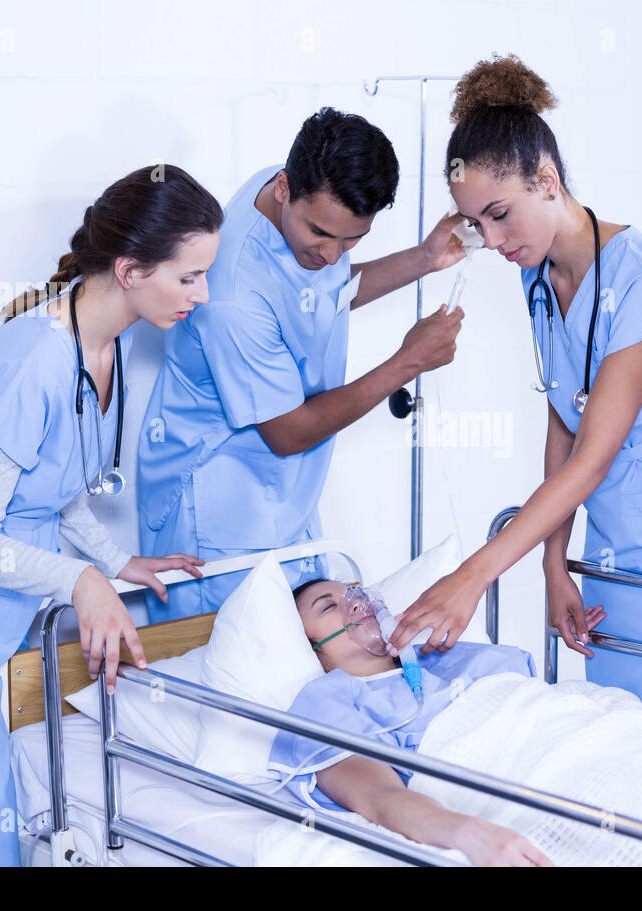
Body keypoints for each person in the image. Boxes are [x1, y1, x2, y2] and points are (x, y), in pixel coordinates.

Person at [0, 165, 221, 865]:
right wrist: (82, 581)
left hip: (0, 602)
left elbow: (58, 482)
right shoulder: (33, 365)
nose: (204, 293)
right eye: (190, 276)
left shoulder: (113, 339)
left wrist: (113, 563)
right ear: (132, 269)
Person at [385, 55, 642, 714]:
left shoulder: (639, 278)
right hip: (609, 551)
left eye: (501, 214)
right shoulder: (539, 277)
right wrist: (554, 564)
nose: (494, 240)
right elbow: (564, 422)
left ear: (547, 180)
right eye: (478, 224)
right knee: (622, 731)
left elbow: (593, 459)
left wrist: (472, 576)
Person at [137, 108, 468, 623]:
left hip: (279, 492)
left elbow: (320, 294)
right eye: (323, 234)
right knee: (226, 679)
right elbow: (288, 433)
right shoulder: (233, 294)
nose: (335, 255)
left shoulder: (297, 196)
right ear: (286, 187)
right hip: (218, 507)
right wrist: (406, 363)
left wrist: (424, 259)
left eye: (352, 240)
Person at [268, 579, 642, 867]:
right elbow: (379, 800)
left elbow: (581, 725)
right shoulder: (328, 702)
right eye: (329, 606)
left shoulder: (445, 658)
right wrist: (470, 835)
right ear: (306, 647)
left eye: (353, 593)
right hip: (520, 775)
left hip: (591, 747)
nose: (355, 605)